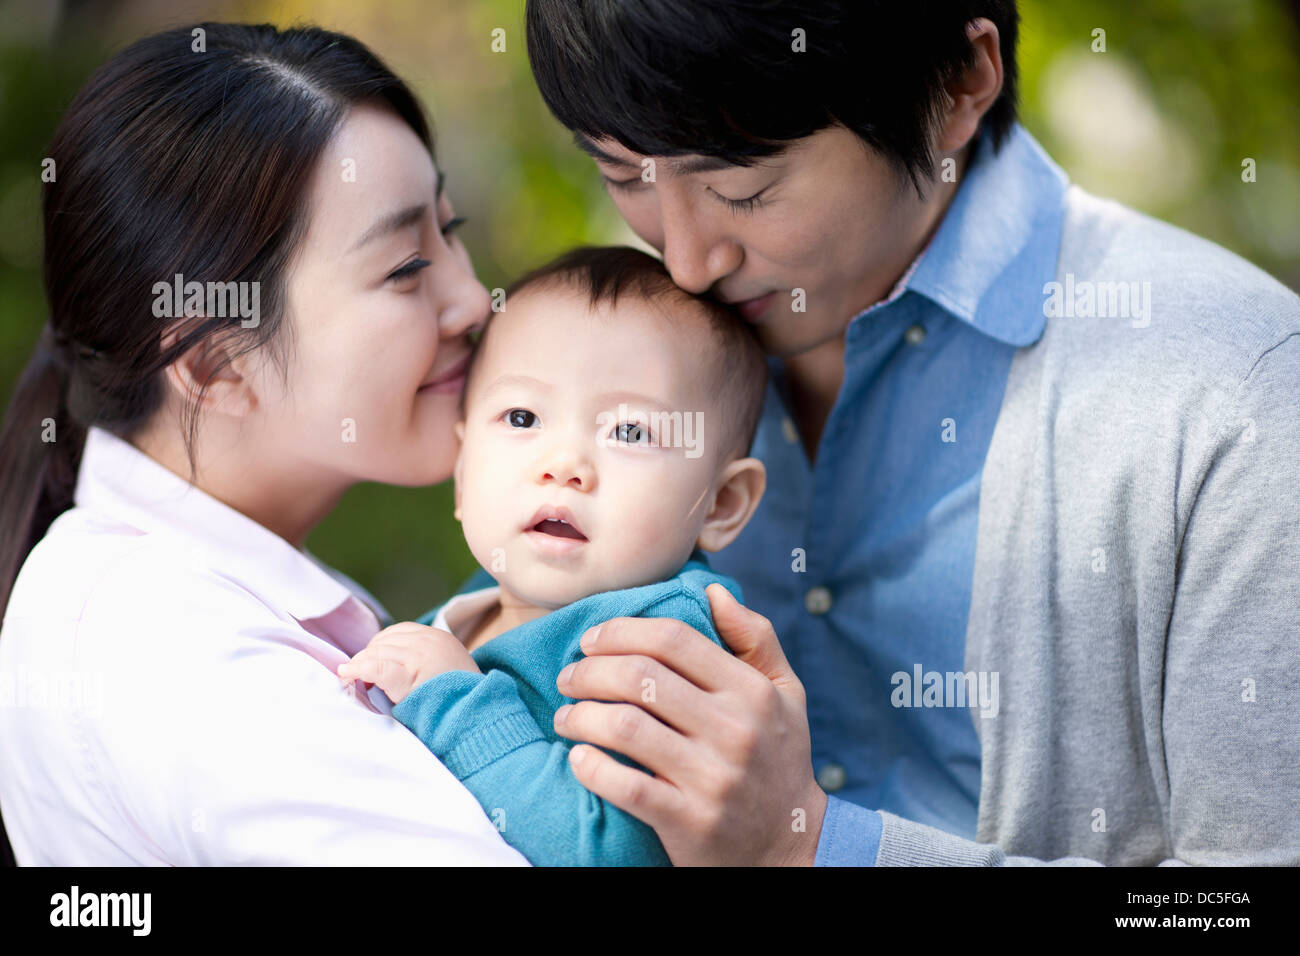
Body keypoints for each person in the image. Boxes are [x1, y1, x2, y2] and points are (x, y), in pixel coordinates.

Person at [522, 0, 1300, 865]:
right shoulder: (619, 356)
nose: (688, 260)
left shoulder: (1239, 396)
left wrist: (814, 848)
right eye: (624, 175)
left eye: (744, 187)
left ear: (959, 83)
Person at [0, 23, 527, 865]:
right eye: (403, 268)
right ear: (212, 363)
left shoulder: (192, 599)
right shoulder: (182, 653)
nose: (471, 299)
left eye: (450, 227)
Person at [339, 246, 768, 865]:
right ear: (462, 472)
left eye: (629, 432)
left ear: (721, 503)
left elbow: (607, 851)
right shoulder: (457, 616)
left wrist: (455, 699)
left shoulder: (660, 639)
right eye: (522, 416)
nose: (563, 465)